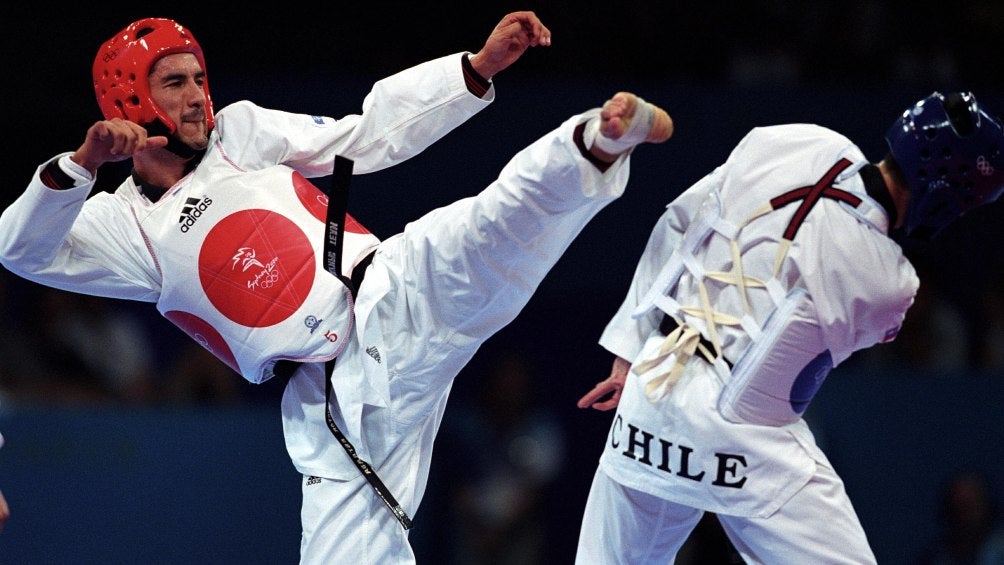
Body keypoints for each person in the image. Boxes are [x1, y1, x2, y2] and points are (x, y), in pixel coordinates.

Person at [0, 12, 674, 563]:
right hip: (334, 402)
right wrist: (83, 163)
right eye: (174, 82)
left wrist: (477, 68)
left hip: (389, 288)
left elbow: (365, 134)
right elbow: (19, 247)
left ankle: (595, 141)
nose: (197, 95)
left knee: (490, 228)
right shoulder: (123, 227)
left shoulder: (242, 131)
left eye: (199, 77)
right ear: (128, 99)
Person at [574, 91, 1004, 563]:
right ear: (946, 192)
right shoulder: (892, 285)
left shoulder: (800, 139)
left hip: (649, 391)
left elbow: (679, 221)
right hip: (742, 440)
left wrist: (629, 351)